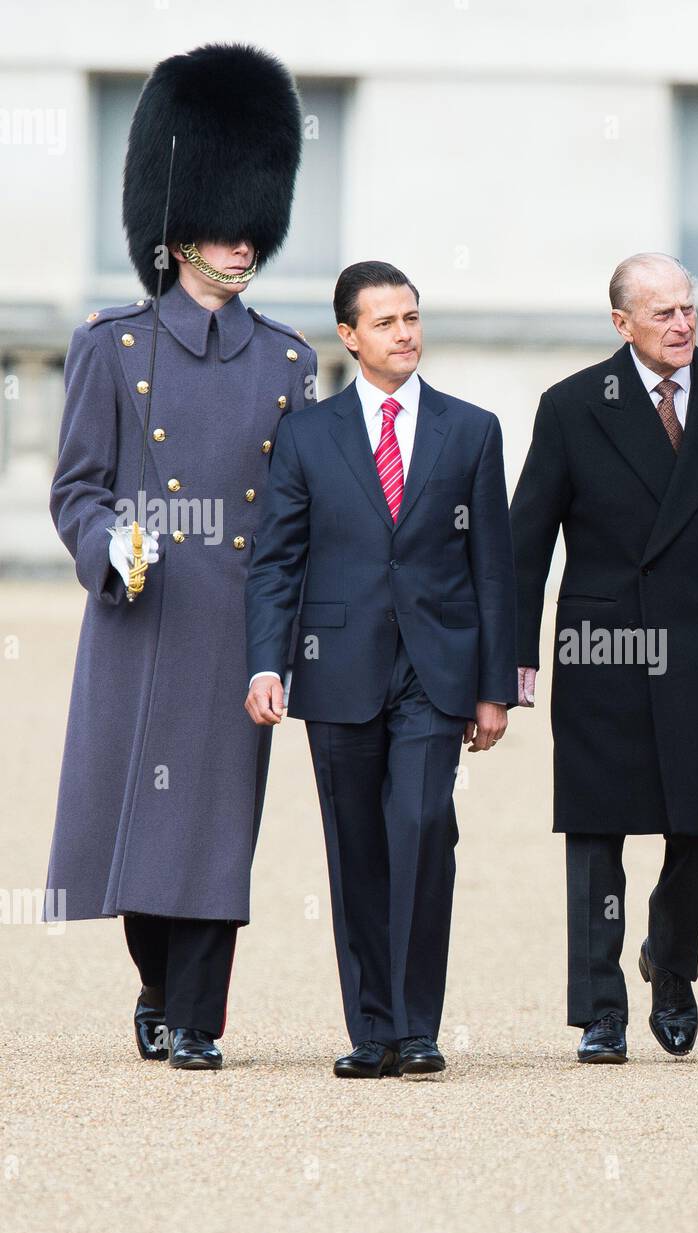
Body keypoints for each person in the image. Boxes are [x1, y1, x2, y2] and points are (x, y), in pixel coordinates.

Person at [45, 44, 314, 1071]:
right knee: (138, 828)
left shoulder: (288, 359)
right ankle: (157, 984)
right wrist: (110, 543)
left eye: (252, 228)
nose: (241, 245)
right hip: (140, 614)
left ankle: (199, 1018)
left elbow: (296, 507)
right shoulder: (110, 348)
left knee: (215, 829)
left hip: (237, 621)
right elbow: (76, 487)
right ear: (175, 229)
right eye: (221, 227)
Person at [510, 252, 698, 1064]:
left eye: (688, 309)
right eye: (663, 313)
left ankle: (670, 964)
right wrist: (513, 656)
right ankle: (600, 1011)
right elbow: (524, 542)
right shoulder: (570, 407)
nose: (682, 325)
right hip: (604, 645)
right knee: (597, 832)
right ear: (621, 323)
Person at [245, 261, 516, 1079]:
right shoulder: (307, 434)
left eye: (413, 318)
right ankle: (372, 1031)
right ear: (350, 335)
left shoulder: (472, 430)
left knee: (424, 827)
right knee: (355, 842)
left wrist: (494, 687)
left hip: (436, 671)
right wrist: (267, 664)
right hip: (336, 668)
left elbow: (493, 568)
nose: (405, 334)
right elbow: (275, 563)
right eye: (387, 322)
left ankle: (417, 1025)